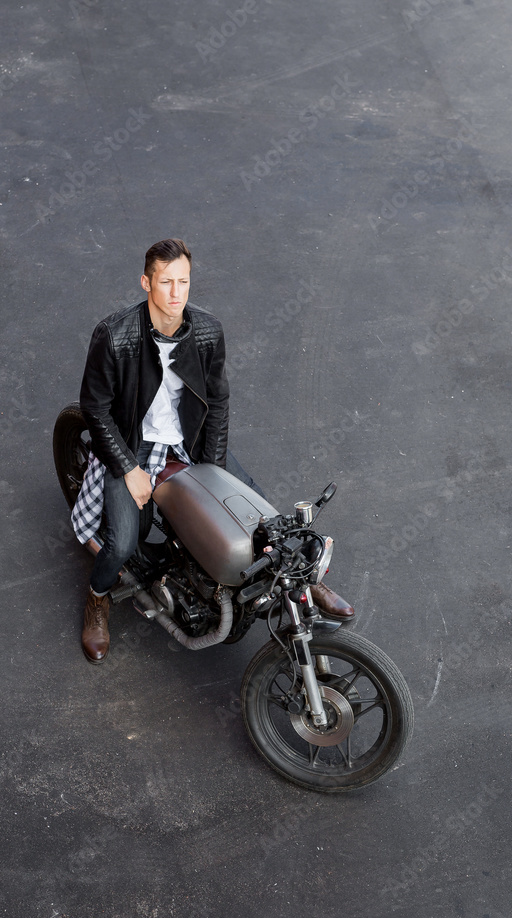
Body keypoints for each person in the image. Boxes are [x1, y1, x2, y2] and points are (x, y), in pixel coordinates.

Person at [73, 238, 354, 662]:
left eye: (183, 281)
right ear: (146, 283)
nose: (176, 293)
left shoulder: (206, 331)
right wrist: (128, 468)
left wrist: (214, 469)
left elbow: (217, 402)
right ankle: (97, 598)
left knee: (261, 513)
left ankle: (304, 583)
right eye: (165, 282)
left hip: (188, 442)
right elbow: (94, 408)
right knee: (122, 543)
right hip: (132, 444)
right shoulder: (115, 335)